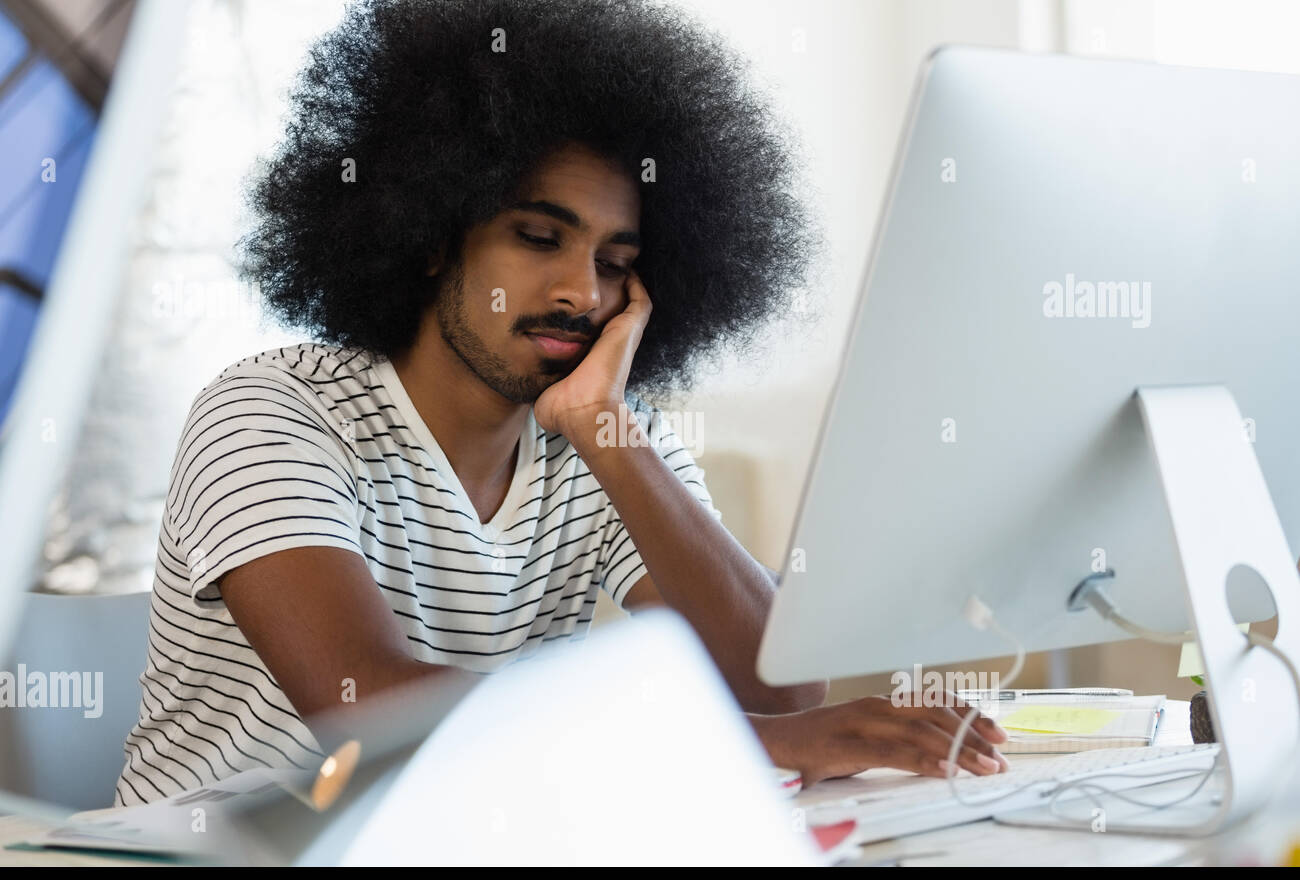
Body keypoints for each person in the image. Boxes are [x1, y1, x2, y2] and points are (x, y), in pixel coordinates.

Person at [115, 0, 1007, 807]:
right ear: (431, 236)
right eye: (540, 237)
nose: (583, 292)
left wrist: (606, 435)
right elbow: (366, 704)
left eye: (616, 263)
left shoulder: (608, 433)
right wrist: (741, 744)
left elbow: (777, 685)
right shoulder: (271, 412)